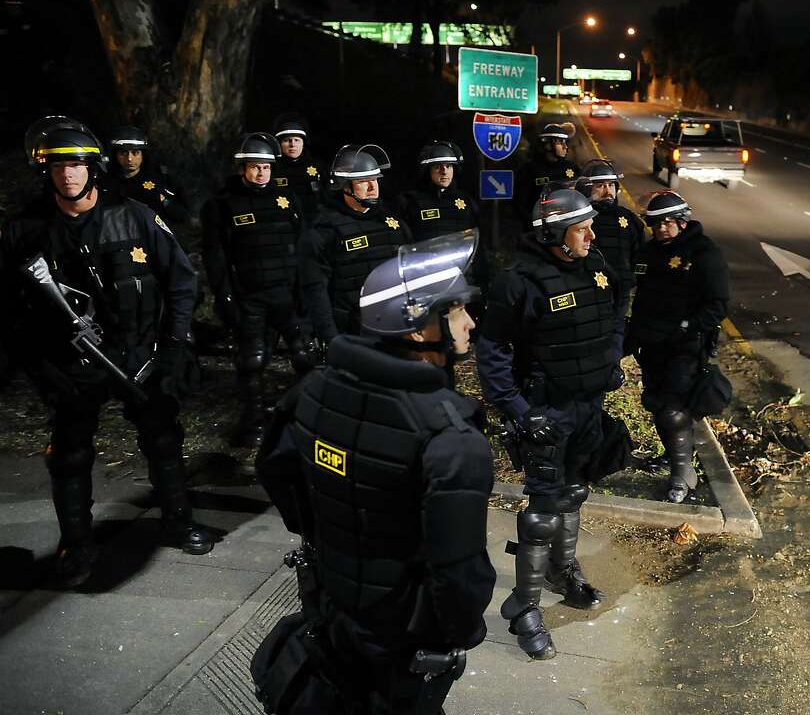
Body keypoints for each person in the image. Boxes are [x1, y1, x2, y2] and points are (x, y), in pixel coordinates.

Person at [256, 231, 495, 714]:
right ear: (415, 329)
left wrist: (335, 537)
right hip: (401, 634)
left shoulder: (315, 388)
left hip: (331, 602)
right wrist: (458, 634)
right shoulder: (451, 438)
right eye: (454, 312)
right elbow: (459, 572)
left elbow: (275, 469)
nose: (468, 323)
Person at [0, 116, 216, 588]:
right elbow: (11, 311)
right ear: (46, 172)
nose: (68, 175)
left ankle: (177, 520)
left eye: (77, 164)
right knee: (70, 454)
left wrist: (174, 348)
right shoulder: (25, 230)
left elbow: (181, 280)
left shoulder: (135, 215)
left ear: (93, 168)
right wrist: (40, 370)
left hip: (139, 353)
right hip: (70, 365)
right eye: (58, 167)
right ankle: (75, 544)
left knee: (162, 436)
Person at [475, 188, 628, 660]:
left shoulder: (595, 264)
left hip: (588, 404)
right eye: (581, 228)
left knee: (576, 491)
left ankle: (563, 572)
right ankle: (524, 606)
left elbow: (615, 312)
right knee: (542, 510)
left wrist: (611, 359)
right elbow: (492, 352)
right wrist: (520, 411)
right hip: (546, 409)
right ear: (554, 234)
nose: (591, 235)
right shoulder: (517, 281)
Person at [201, 132, 318, 449]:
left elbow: (303, 245)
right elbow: (216, 255)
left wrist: (305, 289)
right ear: (242, 168)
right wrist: (223, 294)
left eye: (266, 167)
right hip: (250, 295)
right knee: (252, 360)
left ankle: (308, 416)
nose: (261, 173)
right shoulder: (222, 205)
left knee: (306, 356)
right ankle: (253, 421)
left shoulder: (286, 200)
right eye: (255, 167)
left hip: (286, 293)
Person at [626, 191, 730, 503]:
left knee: (674, 410)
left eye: (666, 223)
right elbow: (640, 294)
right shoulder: (649, 253)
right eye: (654, 223)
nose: (660, 229)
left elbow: (718, 305)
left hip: (686, 345)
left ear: (683, 222)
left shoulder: (703, 253)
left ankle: (681, 476)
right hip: (652, 344)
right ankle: (677, 462)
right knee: (658, 407)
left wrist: (688, 326)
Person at [299, 144, 412, 348]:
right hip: (350, 331)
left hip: (394, 324)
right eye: (363, 181)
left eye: (375, 180)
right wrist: (331, 338)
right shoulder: (325, 230)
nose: (372, 187)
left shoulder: (393, 223)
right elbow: (316, 292)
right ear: (344, 186)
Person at [402, 140, 491, 302]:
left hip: (462, 276)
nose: (444, 172)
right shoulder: (411, 202)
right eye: (438, 167)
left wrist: (483, 279)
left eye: (449, 166)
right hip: (426, 279)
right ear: (427, 170)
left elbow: (479, 245)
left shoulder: (465, 201)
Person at [574, 158, 644, 333]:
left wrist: (631, 279)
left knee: (614, 343)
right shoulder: (577, 219)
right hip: (586, 293)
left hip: (619, 295)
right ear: (587, 189)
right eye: (600, 185)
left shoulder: (629, 219)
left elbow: (641, 256)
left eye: (611, 185)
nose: (608, 191)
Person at [105, 125, 191, 229]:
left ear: (143, 154)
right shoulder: (106, 182)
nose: (129, 158)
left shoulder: (160, 180)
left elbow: (183, 216)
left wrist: (165, 202)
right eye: (124, 153)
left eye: (135, 153)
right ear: (116, 155)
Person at [514, 122, 581, 220]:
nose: (565, 147)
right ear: (548, 145)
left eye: (565, 142)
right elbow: (520, 203)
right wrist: (532, 223)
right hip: (539, 225)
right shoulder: (529, 169)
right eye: (560, 142)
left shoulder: (572, 168)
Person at [272, 113, 324, 221]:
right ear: (279, 144)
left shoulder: (317, 166)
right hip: (283, 221)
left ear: (303, 143)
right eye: (287, 140)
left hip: (314, 221)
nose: (292, 145)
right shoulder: (271, 168)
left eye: (297, 140)